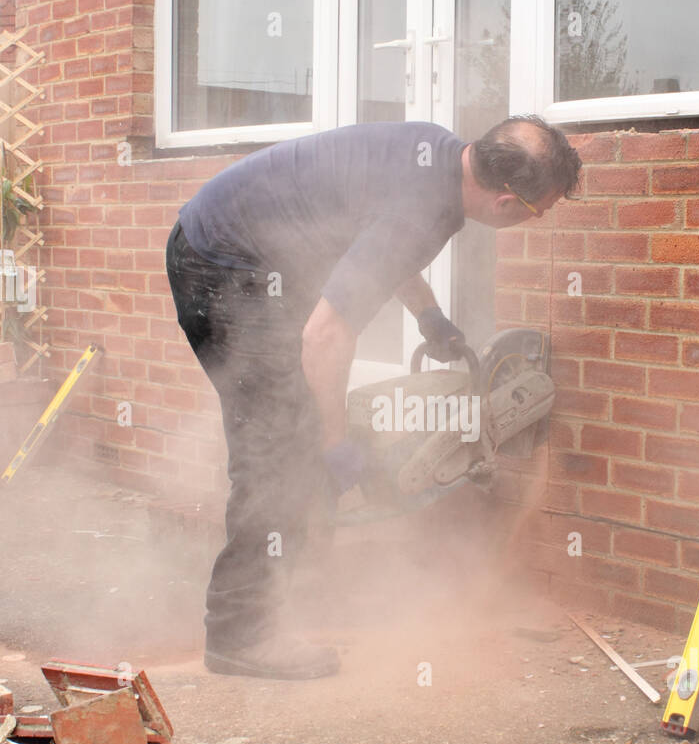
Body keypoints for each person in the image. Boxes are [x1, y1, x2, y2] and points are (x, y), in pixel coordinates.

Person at [166, 115, 581, 681]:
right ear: (507, 203)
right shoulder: (425, 209)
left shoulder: (436, 154)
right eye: (543, 211)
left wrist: (429, 315)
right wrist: (334, 446)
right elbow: (326, 334)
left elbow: (384, 244)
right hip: (222, 266)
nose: (539, 220)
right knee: (278, 447)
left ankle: (278, 592)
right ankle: (241, 633)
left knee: (290, 433)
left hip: (243, 255)